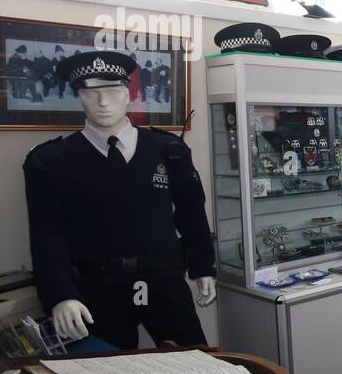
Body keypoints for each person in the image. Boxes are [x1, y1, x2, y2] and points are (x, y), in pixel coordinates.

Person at [23, 50, 217, 349]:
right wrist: (60, 294)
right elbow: (48, 235)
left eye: (113, 91)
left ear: (128, 94)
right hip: (97, 287)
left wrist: (203, 267)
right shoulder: (50, 161)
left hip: (163, 280)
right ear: (79, 96)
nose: (103, 102)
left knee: (197, 366)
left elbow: (191, 212)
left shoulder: (168, 150)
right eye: (91, 92)